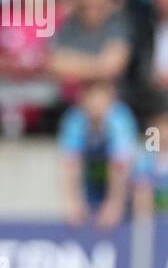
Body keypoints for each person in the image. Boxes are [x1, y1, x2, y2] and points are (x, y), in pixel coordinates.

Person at [58, 78, 137, 228]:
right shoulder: (74, 120)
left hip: (122, 185)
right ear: (83, 100)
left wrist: (114, 204)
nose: (96, 105)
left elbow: (120, 165)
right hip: (92, 180)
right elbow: (70, 163)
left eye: (101, 99)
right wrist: (71, 202)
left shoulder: (120, 120)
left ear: (110, 101)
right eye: (92, 98)